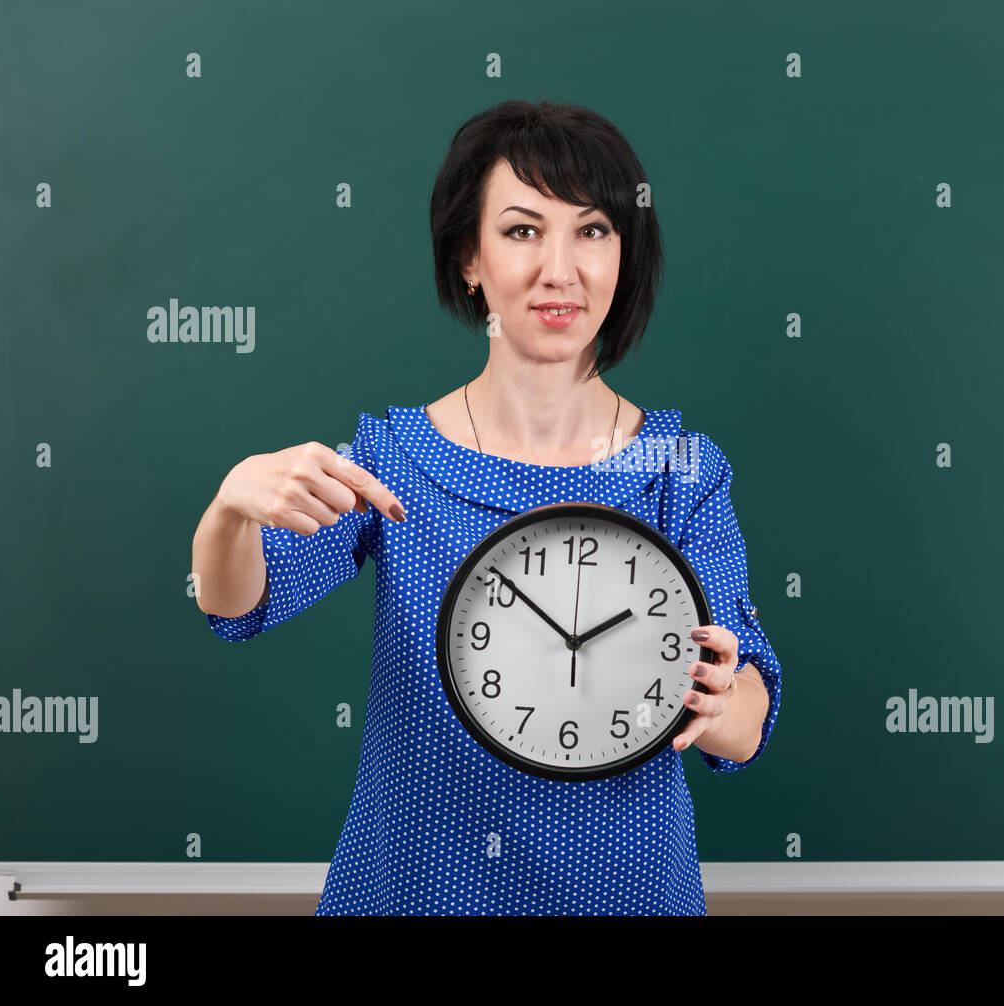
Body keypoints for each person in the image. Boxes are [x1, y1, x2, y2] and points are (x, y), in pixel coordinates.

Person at [190, 99, 783, 915]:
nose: (560, 270)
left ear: (625, 255)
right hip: (414, 888)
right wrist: (229, 511)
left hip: (623, 891)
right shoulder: (393, 460)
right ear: (469, 258)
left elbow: (746, 716)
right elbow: (241, 605)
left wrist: (721, 702)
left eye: (593, 230)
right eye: (521, 230)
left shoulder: (681, 471)